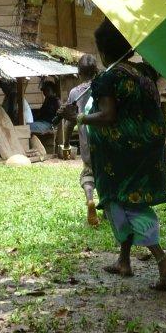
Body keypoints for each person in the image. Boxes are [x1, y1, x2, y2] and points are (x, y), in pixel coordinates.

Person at [78, 18, 166, 290]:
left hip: (120, 154)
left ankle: (162, 259)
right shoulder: (144, 73)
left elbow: (108, 115)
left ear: (103, 50)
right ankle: (124, 260)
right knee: (126, 197)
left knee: (125, 202)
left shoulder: (108, 77)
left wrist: (79, 117)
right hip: (148, 150)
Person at [57, 54, 100, 226]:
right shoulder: (102, 87)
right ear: (96, 71)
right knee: (105, 172)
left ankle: (90, 199)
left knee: (88, 173)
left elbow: (69, 122)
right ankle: (108, 207)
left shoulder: (75, 93)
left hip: (86, 142)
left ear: (78, 72)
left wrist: (66, 144)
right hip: (104, 138)